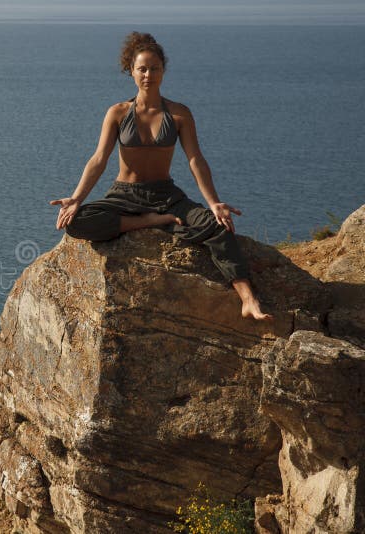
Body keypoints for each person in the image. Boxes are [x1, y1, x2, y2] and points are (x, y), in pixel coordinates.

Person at [50, 32, 272, 320]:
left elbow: (195, 159)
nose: (148, 74)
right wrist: (77, 198)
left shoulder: (179, 114)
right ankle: (151, 222)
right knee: (77, 222)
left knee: (219, 227)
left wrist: (214, 202)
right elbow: (98, 159)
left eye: (154, 68)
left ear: (163, 71)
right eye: (142, 68)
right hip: (123, 195)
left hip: (166, 196)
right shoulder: (118, 113)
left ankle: (247, 299)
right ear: (131, 70)